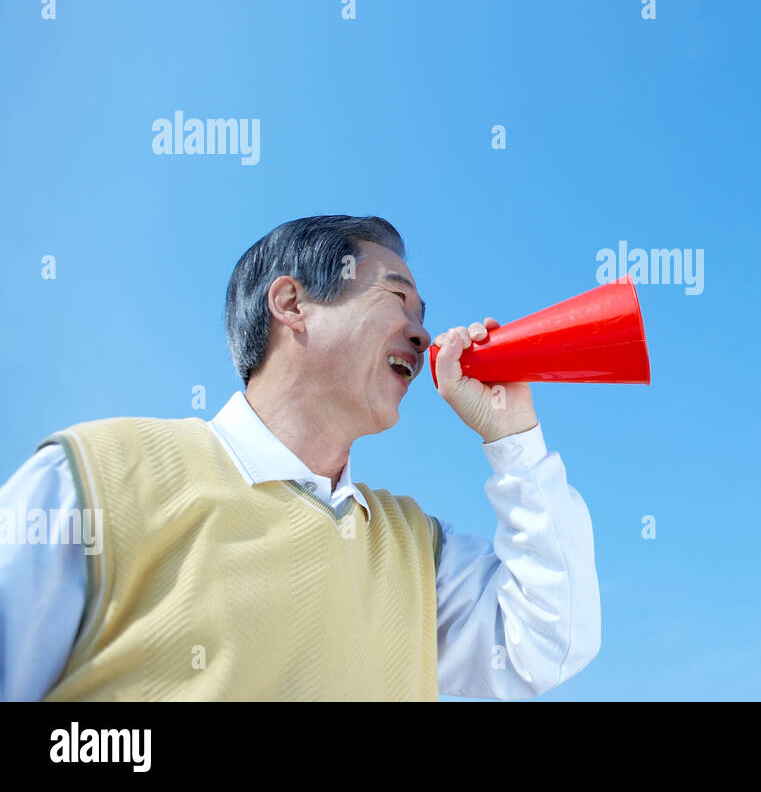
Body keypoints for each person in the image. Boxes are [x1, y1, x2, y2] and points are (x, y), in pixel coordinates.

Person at [0, 215, 600, 700]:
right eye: (397, 298)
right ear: (290, 302)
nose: (424, 336)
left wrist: (512, 436)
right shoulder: (101, 476)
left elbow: (551, 641)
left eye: (424, 317)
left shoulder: (418, 553)